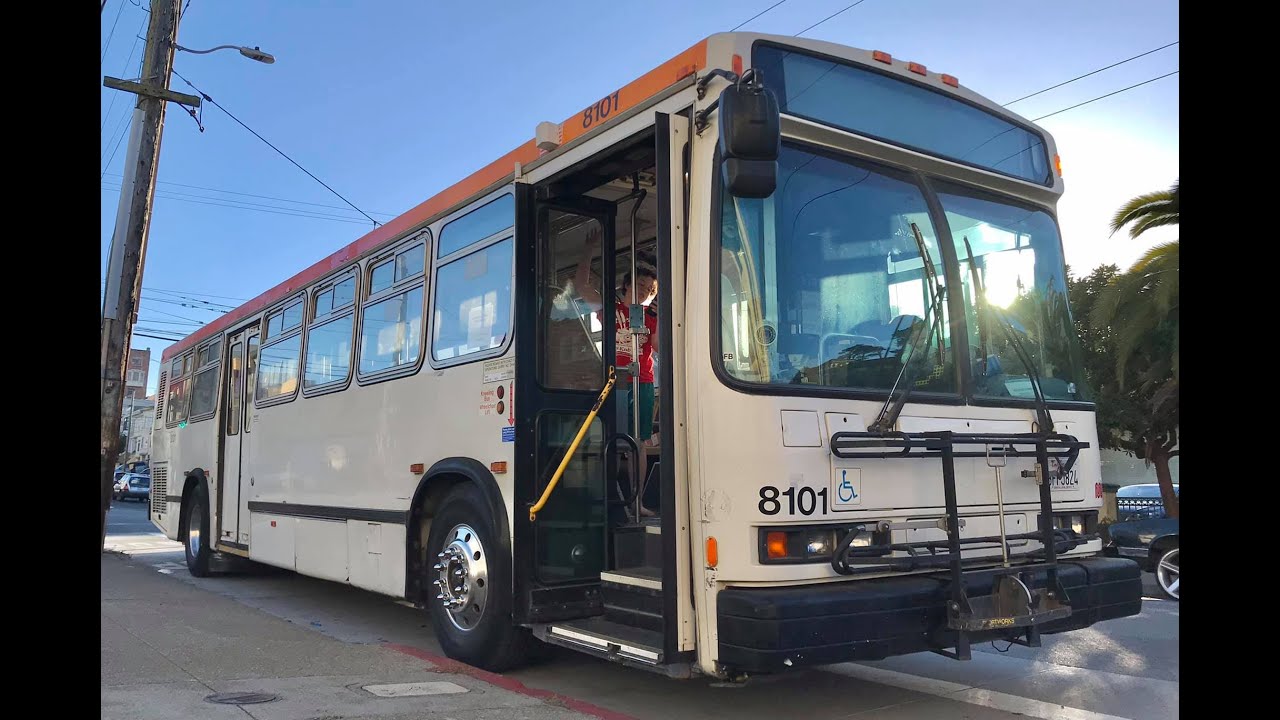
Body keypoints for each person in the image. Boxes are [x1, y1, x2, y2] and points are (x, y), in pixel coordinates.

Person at [574, 228, 659, 516]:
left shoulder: (650, 317)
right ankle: (606, 496)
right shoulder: (609, 308)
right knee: (610, 436)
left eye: (650, 290)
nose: (645, 293)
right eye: (641, 286)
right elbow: (581, 286)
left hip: (643, 381)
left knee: (639, 441)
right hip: (614, 379)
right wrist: (589, 250)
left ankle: (636, 499)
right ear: (626, 285)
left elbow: (659, 349)